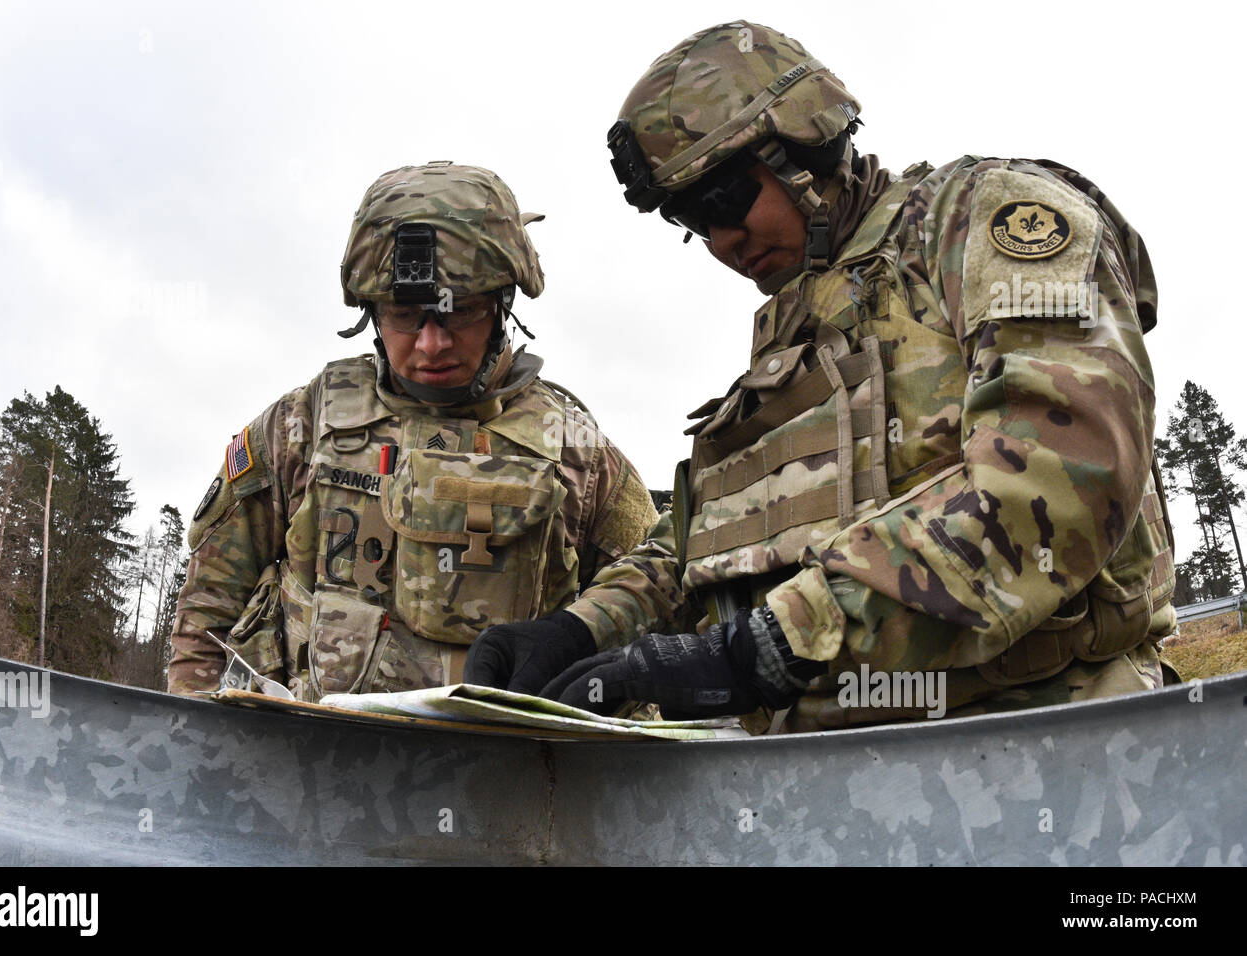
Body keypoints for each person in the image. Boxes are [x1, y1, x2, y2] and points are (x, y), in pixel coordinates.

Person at [465, 21, 1176, 733]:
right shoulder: (796, 324)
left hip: (1048, 735)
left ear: (806, 146)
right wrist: (582, 631)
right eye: (690, 219)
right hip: (832, 772)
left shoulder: (979, 219)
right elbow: (701, 540)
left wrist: (775, 643)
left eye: (725, 201)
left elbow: (1061, 473)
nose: (720, 243)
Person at [168, 162, 659, 701]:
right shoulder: (302, 426)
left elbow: (652, 600)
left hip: (512, 772)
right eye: (405, 315)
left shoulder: (577, 452)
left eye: (460, 311)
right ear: (371, 314)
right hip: (313, 762)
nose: (431, 344)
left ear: (503, 306)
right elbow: (209, 606)